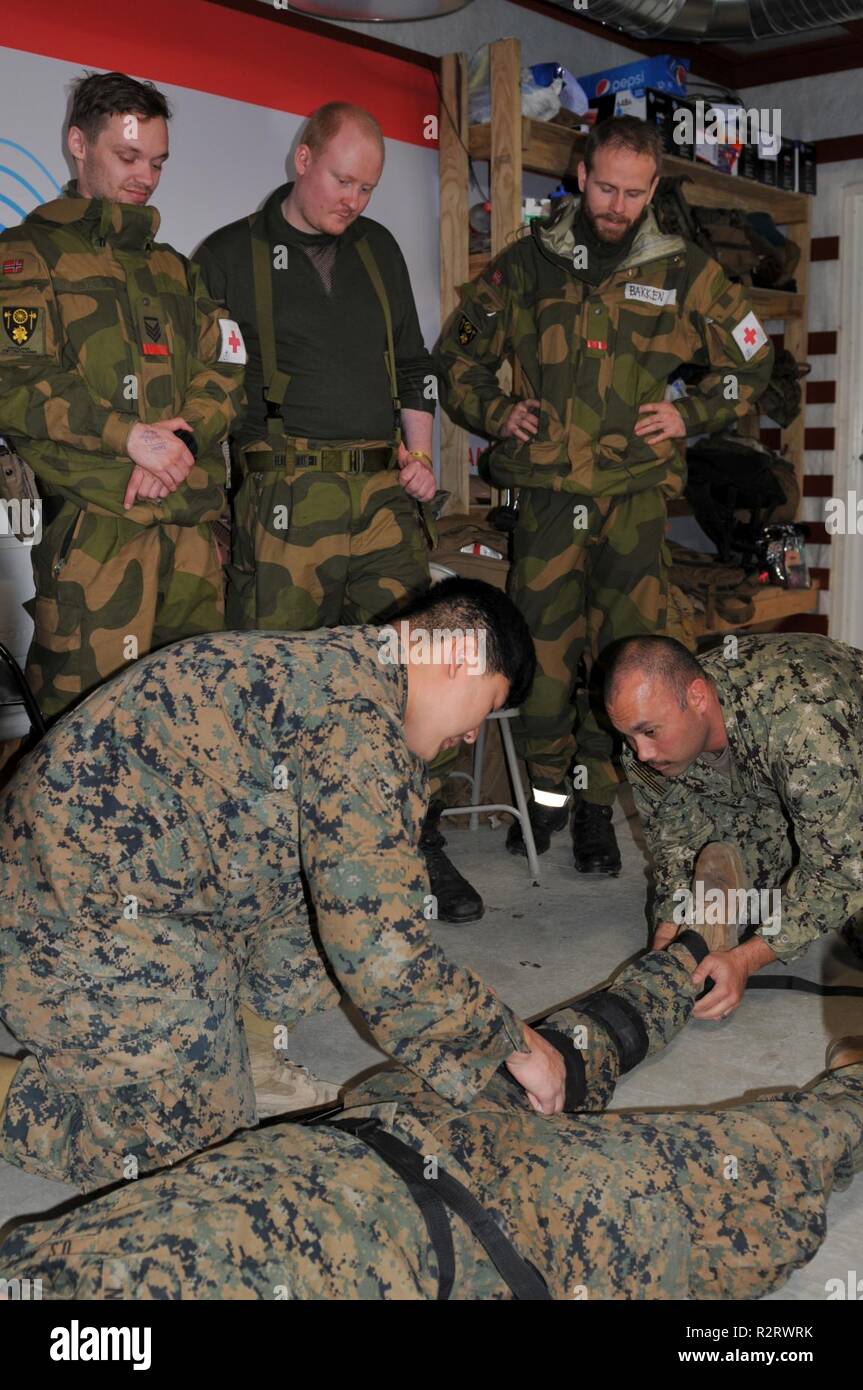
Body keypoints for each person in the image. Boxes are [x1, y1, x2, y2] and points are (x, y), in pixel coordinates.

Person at [0, 578, 572, 1192]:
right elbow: (382, 958)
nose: (469, 736)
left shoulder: (350, 669)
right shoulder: (354, 719)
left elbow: (376, 902)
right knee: (185, 1157)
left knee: (367, 900)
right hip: (57, 911)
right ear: (460, 659)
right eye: (484, 710)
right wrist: (514, 1045)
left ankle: (237, 1046)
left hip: (136, 879)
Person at [4, 916, 861, 1299]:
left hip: (380, 1130)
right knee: (761, 1161)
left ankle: (686, 952)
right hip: (508, 1225)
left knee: (562, 1049)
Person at [433, 115, 774, 877]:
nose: (617, 205)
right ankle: (544, 802)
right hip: (550, 501)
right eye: (605, 187)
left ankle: (594, 809)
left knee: (627, 665)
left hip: (632, 502)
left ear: (653, 187)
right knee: (546, 664)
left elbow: (752, 361)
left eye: (633, 191)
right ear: (580, 176)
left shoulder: (685, 269)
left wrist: (690, 411)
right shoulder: (525, 266)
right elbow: (455, 361)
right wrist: (496, 413)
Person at [196, 101, 481, 924]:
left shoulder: (377, 249)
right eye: (341, 178)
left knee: (408, 678)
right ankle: (273, 876)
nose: (353, 198)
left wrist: (421, 456)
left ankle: (414, 844)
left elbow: (416, 367)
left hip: (383, 500)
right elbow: (202, 390)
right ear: (301, 157)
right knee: (277, 688)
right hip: (284, 499)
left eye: (367, 186)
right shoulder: (225, 256)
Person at [0, 70, 246, 720]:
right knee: (85, 741)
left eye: (157, 162)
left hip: (192, 537)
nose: (146, 176)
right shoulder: (25, 257)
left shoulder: (175, 268)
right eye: (128, 156)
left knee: (194, 730)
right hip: (97, 536)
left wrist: (182, 440)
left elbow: (228, 364)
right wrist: (129, 439)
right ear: (78, 143)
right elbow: (15, 382)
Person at [604, 631, 863, 1020]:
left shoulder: (805, 725)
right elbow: (674, 843)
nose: (641, 752)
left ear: (696, 697)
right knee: (757, 901)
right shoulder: (646, 742)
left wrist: (745, 960)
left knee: (838, 882)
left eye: (650, 731)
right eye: (629, 735)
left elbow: (839, 869)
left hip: (842, 758)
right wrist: (670, 921)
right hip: (779, 781)